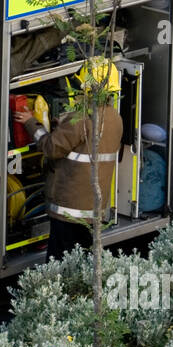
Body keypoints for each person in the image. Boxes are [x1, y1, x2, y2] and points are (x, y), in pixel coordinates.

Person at [13, 94, 123, 260]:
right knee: (83, 259)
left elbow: (50, 147)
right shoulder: (114, 116)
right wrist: (62, 127)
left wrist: (31, 122)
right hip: (92, 208)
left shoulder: (80, 119)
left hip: (68, 209)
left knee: (59, 262)